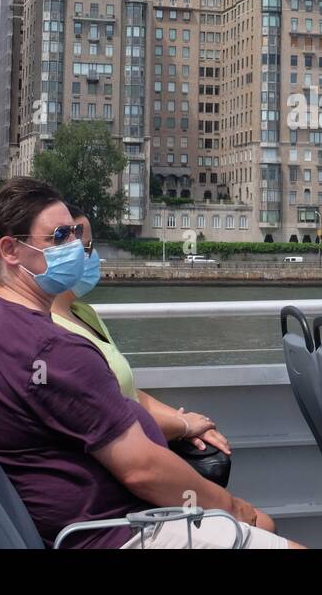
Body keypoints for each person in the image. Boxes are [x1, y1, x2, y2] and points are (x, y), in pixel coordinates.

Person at [0, 177, 298, 549]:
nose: (76, 248)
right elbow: (142, 470)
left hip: (86, 522)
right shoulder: (56, 351)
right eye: (59, 237)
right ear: (11, 250)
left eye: (76, 236)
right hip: (118, 532)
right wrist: (235, 510)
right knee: (272, 530)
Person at [50, 206, 233, 484]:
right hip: (113, 470)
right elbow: (111, 419)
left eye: (89, 246)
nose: (91, 257)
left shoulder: (84, 313)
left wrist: (190, 422)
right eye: (85, 248)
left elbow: (129, 394)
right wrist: (182, 426)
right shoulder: (52, 331)